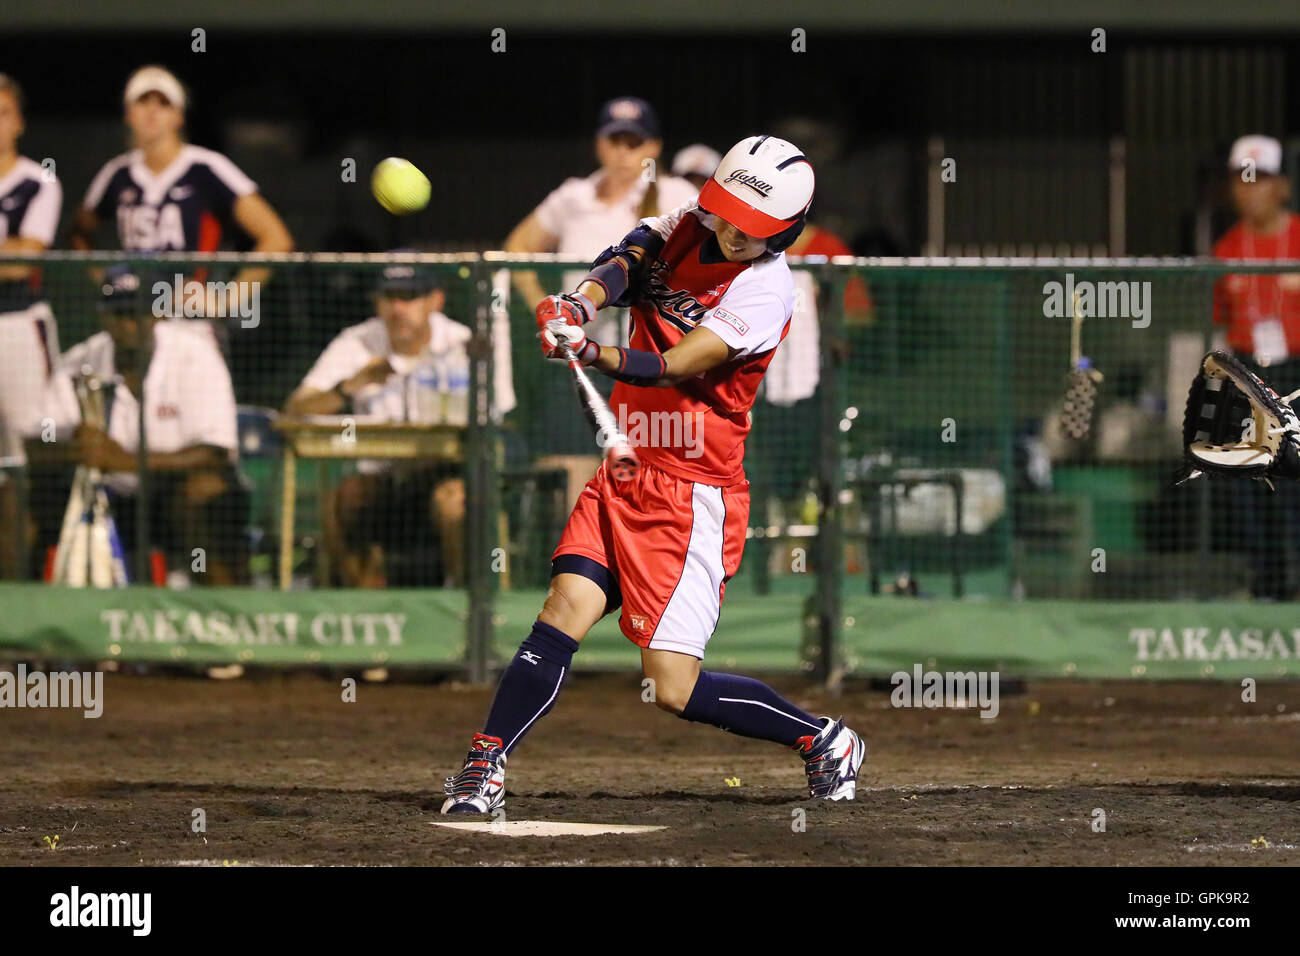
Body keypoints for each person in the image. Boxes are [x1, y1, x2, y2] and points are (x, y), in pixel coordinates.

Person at [440, 135, 866, 815]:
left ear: (781, 231)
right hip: (627, 470)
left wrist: (593, 349)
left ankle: (822, 740)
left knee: (673, 688)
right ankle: (483, 766)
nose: (727, 230)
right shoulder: (688, 226)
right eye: (723, 212)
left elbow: (677, 363)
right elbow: (626, 260)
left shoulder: (765, 291)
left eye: (746, 226)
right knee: (562, 610)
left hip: (693, 496)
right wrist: (577, 304)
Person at [24, 267, 247, 585]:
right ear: (104, 317)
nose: (131, 324)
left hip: (170, 493)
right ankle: (26, 604)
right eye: (120, 314)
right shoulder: (79, 363)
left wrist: (125, 461)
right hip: (108, 497)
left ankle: (217, 602)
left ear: (158, 315)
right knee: (25, 492)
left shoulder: (194, 356)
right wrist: (74, 446)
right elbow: (40, 435)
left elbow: (215, 453)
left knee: (202, 488)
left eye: (140, 313)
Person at [284, 263, 489, 588]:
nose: (398, 309)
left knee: (454, 502)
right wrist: (348, 386)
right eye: (389, 297)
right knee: (343, 499)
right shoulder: (356, 342)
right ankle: (364, 607)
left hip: (444, 471)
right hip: (379, 480)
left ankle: (463, 603)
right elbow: (296, 409)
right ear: (376, 302)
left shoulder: (461, 342)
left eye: (409, 297)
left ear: (435, 300)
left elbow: (492, 415)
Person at [69, 66, 293, 320]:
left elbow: (276, 238)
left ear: (179, 116)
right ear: (128, 114)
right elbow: (79, 233)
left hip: (191, 325)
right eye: (143, 101)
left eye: (164, 103)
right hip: (134, 319)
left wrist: (226, 301)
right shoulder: (116, 173)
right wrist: (107, 282)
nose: (152, 111)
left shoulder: (206, 168)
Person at [1211, 134, 1300, 599]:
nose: (1249, 189)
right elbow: (1219, 322)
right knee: (1250, 481)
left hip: (1298, 373)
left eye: (1260, 179)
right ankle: (1266, 587)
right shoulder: (1226, 249)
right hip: (1248, 372)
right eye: (1241, 180)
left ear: (1282, 186)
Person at [0, 74, 62, 578]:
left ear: (18, 121)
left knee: (28, 461)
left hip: (18, 329)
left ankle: (25, 594)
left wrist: (13, 253)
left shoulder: (37, 181)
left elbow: (24, 260)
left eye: (2, 113)